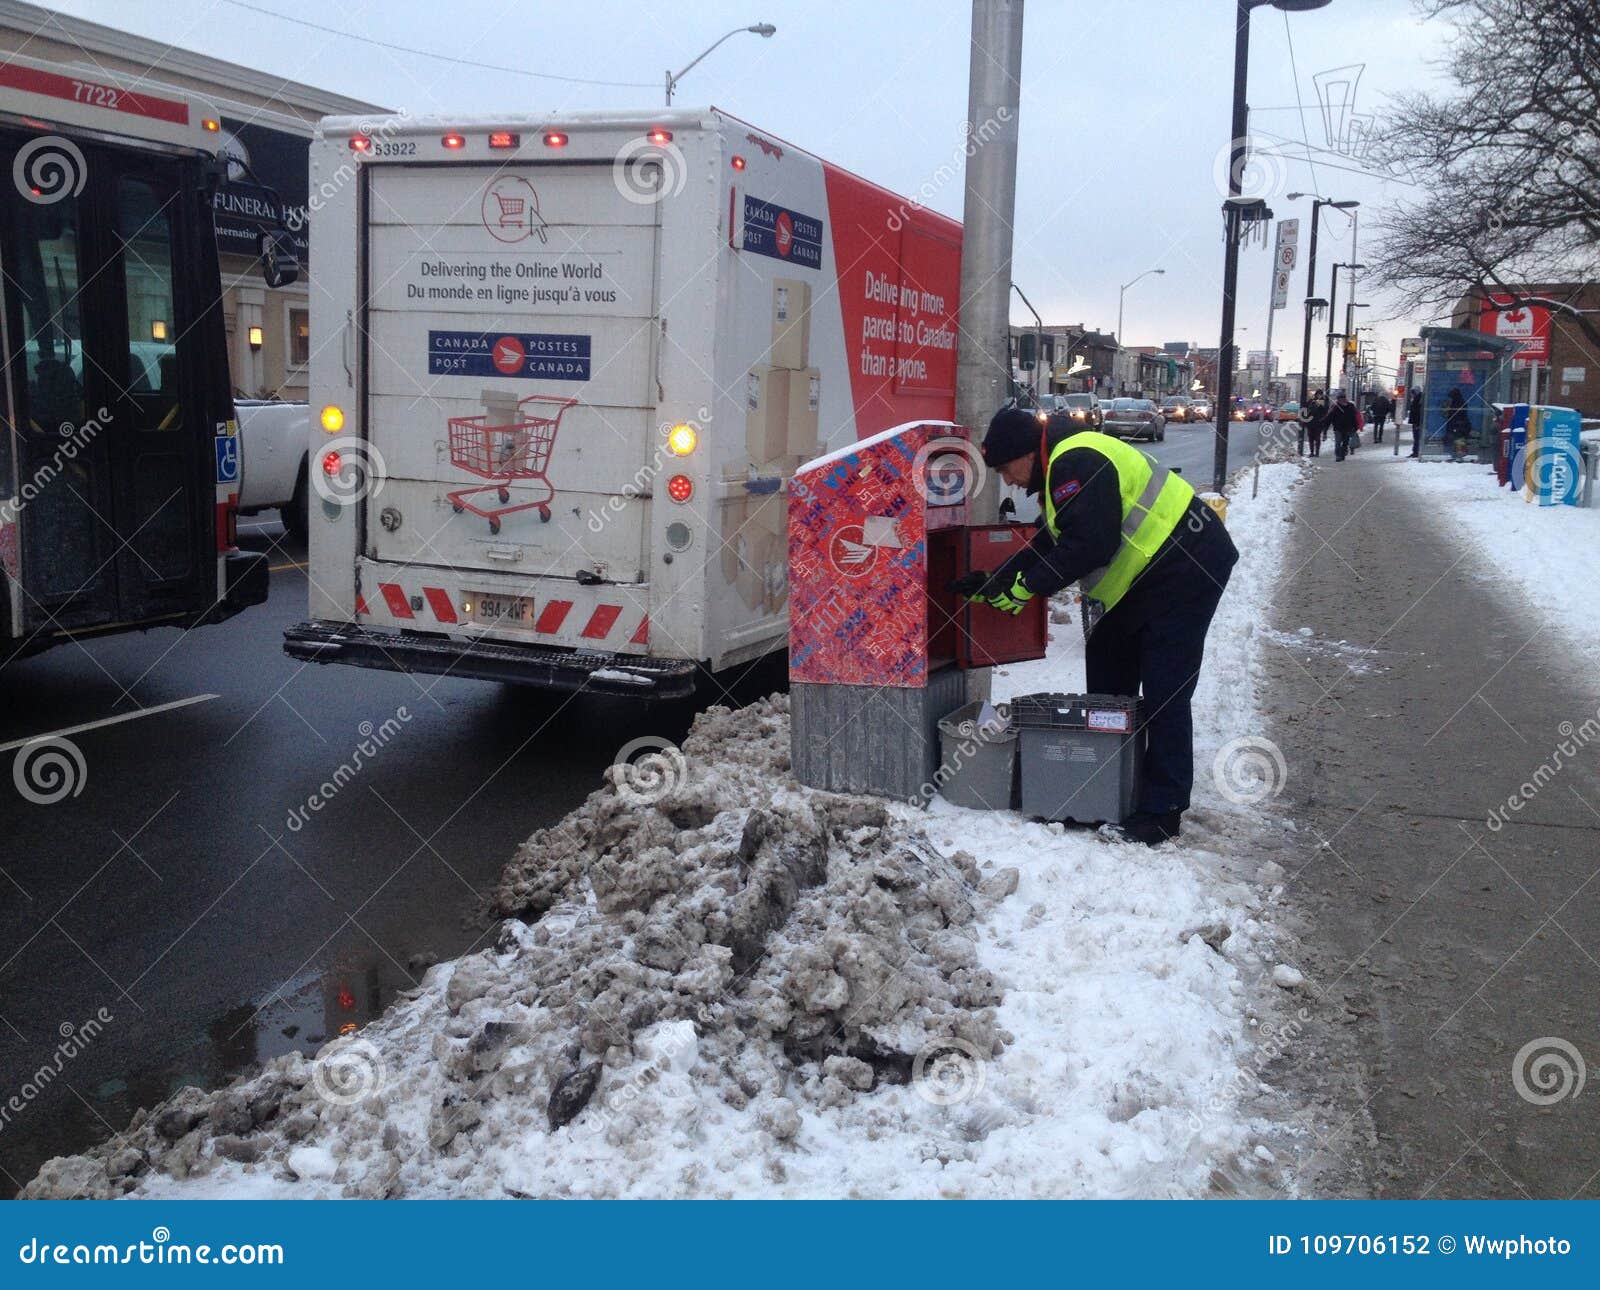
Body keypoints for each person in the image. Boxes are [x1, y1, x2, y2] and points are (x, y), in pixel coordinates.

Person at [953, 406, 1239, 847]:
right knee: (1107, 679)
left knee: (1165, 690)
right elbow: (1052, 542)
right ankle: (1111, 784)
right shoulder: (1059, 472)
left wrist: (1026, 589)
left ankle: (1162, 811)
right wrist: (1000, 580)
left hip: (1187, 564)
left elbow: (1091, 544)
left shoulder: (1075, 460)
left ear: (1028, 454)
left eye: (1006, 469)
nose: (1007, 481)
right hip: (1144, 576)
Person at [1329, 389, 1359, 461]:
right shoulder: (1335, 406)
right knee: (1338, 442)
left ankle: (1342, 453)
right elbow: (1330, 417)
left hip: (1347, 428)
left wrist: (1355, 426)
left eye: (1343, 398)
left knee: (1344, 442)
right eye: (1340, 398)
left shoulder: (1350, 406)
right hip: (1338, 428)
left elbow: (1354, 417)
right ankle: (1338, 455)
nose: (1342, 400)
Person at [1300, 388, 1330, 457]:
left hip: (1318, 423)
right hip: (1311, 423)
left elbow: (1326, 412)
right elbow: (1305, 409)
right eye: (1318, 394)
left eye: (1320, 395)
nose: (1319, 396)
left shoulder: (1323, 402)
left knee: (1317, 438)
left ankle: (1317, 452)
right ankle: (1312, 452)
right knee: (1311, 438)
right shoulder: (1311, 401)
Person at [1443, 387, 1470, 460]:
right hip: (1460, 423)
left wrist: (1447, 408)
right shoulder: (1460, 401)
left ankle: (1458, 455)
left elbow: (1452, 413)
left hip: (1457, 423)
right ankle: (1458, 455)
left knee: (1458, 440)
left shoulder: (1457, 402)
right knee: (1458, 440)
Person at [1407, 387, 1424, 457]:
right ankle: (1415, 451)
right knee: (1416, 437)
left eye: (1412, 393)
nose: (1411, 394)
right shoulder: (1418, 399)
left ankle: (1416, 452)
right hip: (1416, 422)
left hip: (1417, 422)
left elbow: (1417, 412)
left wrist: (1417, 423)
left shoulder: (1418, 400)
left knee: (1416, 437)